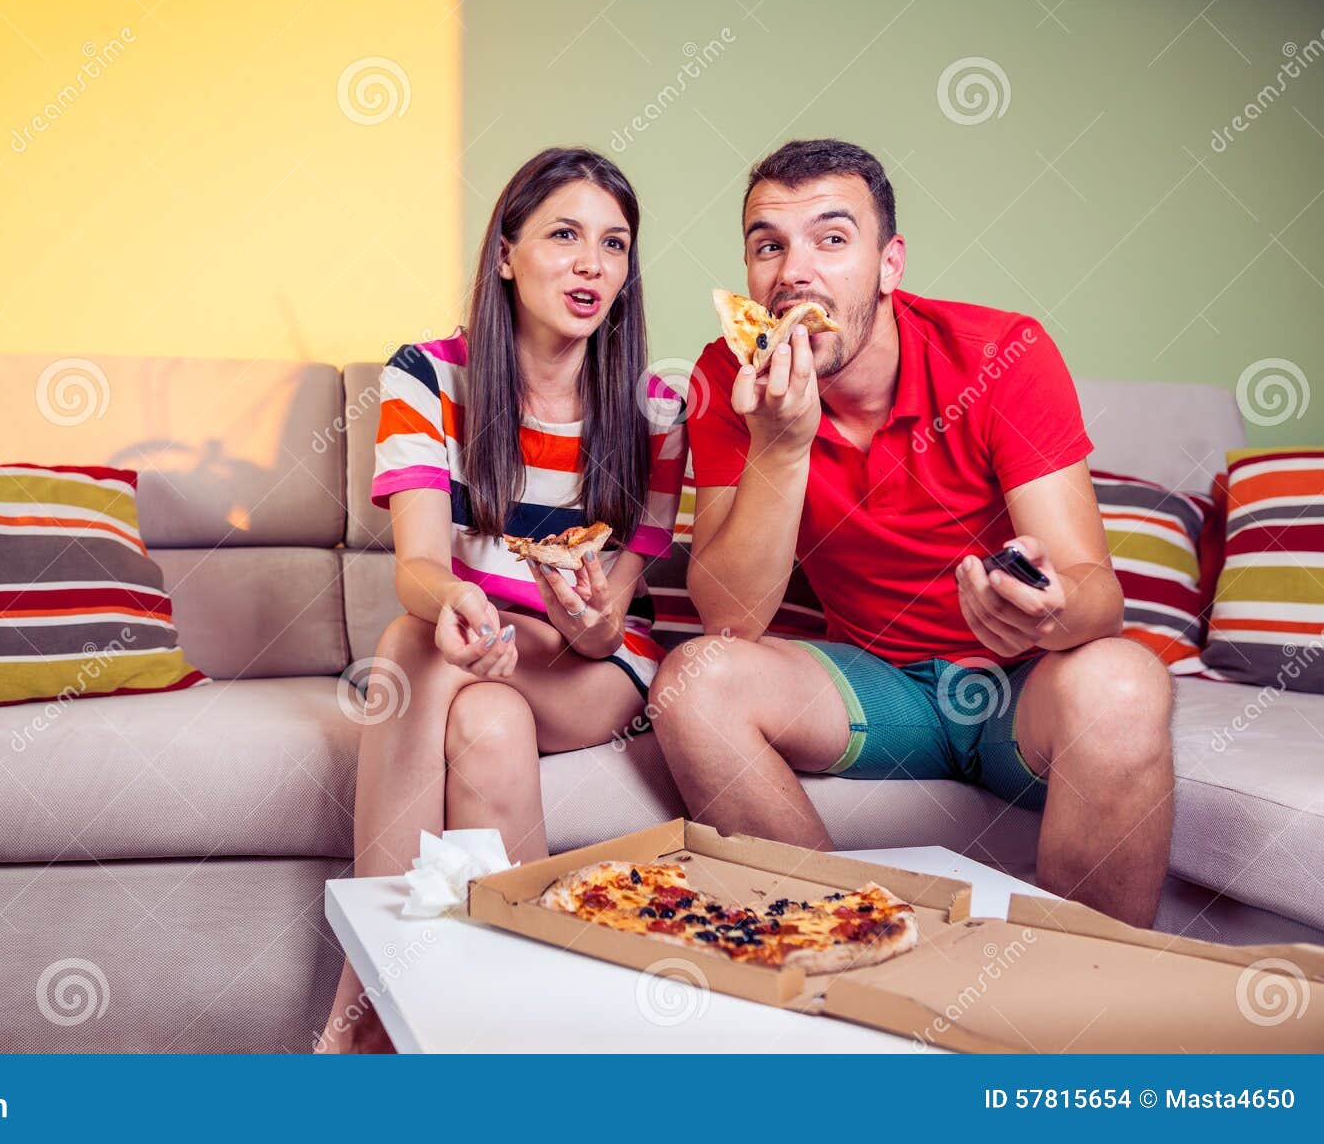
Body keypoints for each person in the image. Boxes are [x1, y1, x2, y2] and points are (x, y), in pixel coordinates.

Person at [651, 139, 1173, 929]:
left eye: (831, 239)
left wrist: (1048, 611)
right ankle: (848, 946)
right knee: (694, 682)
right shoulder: (732, 377)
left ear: (889, 265)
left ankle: (1081, 1008)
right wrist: (781, 445)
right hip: (878, 689)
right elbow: (731, 618)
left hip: (1022, 691)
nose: (795, 272)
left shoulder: (1003, 355)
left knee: (1127, 682)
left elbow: (1099, 601)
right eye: (769, 245)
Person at [316, 147, 686, 1051]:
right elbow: (418, 570)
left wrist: (583, 617)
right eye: (564, 235)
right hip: (468, 650)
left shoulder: (657, 407)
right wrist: (455, 603)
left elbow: (612, 630)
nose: (592, 263)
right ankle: (512, 1038)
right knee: (472, 706)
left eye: (614, 243)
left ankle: (357, 1020)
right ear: (507, 254)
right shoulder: (428, 376)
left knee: (413, 655)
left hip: (591, 672)